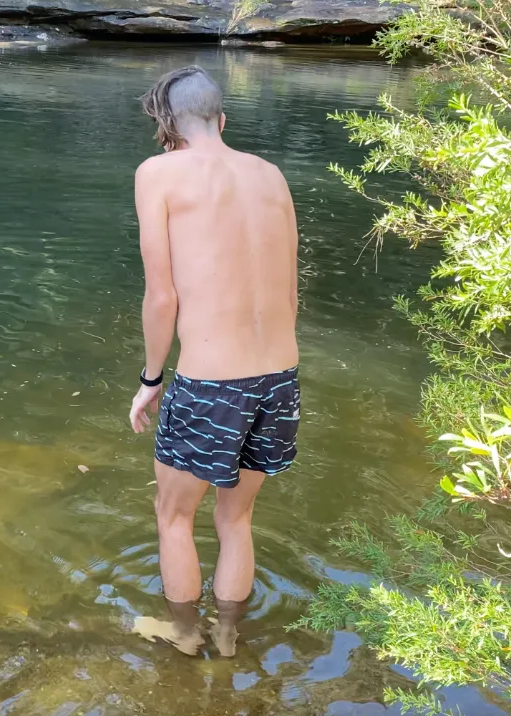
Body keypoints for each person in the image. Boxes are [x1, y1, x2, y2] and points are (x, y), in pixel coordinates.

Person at [128, 66, 301, 657]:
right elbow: (290, 294)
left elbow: (162, 296)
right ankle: (227, 640)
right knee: (236, 518)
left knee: (174, 517)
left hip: (212, 382)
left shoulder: (158, 173)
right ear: (222, 119)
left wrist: (152, 378)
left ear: (168, 124)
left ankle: (183, 635)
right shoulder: (271, 175)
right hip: (279, 378)